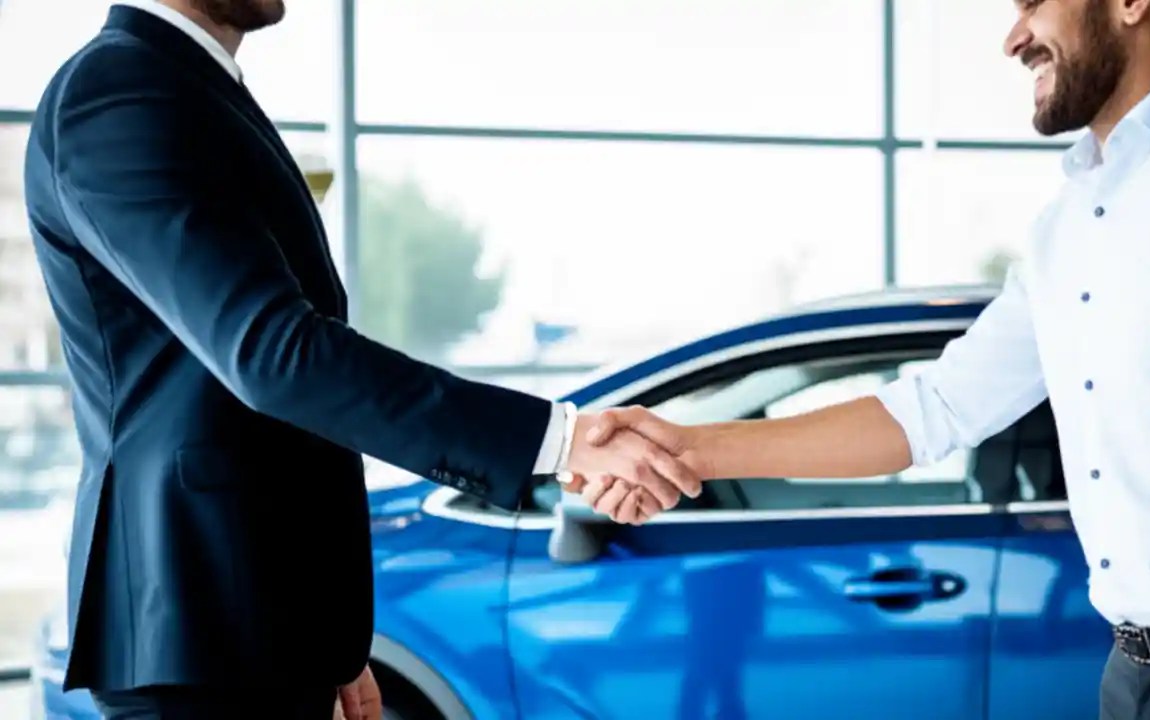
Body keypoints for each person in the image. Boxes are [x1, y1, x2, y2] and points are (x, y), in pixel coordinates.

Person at [582, 0, 1150, 717]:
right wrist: (686, 449)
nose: (1014, 39)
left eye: (1034, 4)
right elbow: (935, 408)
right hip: (1136, 675)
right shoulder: (1066, 229)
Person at [22, 1, 701, 718]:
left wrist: (327, 636)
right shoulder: (118, 93)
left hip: (249, 627)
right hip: (192, 628)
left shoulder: (188, 87)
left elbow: (266, 404)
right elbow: (275, 354)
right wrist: (559, 441)